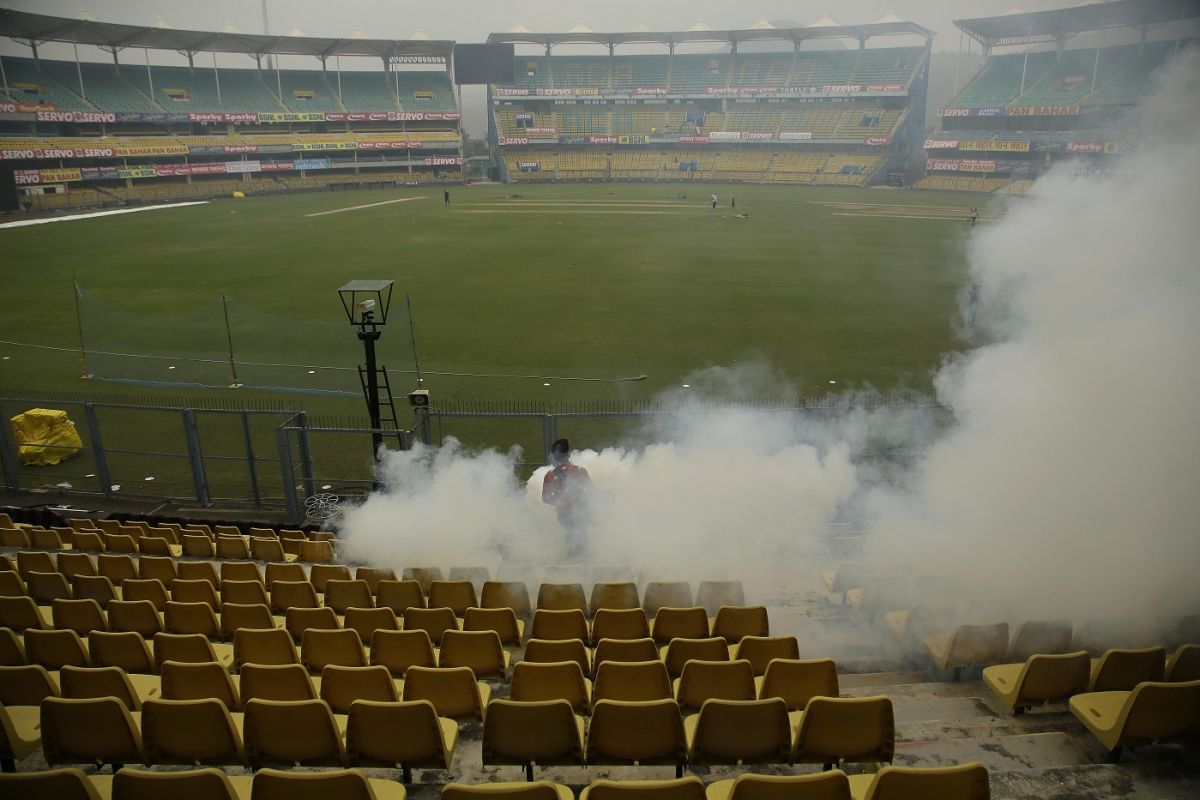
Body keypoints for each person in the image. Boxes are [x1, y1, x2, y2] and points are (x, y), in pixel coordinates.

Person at [542, 438, 593, 561]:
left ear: (554, 455)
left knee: (569, 545)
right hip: (580, 517)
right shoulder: (580, 471)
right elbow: (592, 493)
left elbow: (545, 498)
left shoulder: (550, 474)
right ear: (569, 453)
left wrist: (559, 499)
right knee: (580, 547)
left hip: (563, 518)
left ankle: (569, 569)